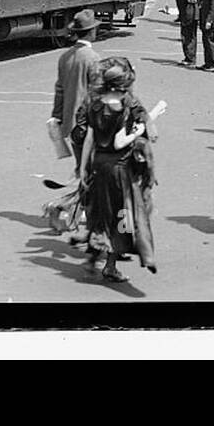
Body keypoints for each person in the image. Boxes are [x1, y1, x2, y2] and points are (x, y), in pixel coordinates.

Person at [76, 58, 157, 281]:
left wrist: (83, 168)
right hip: (118, 169)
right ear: (122, 86)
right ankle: (111, 265)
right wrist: (138, 130)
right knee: (123, 216)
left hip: (97, 165)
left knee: (101, 213)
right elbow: (120, 142)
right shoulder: (121, 108)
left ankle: (95, 257)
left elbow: (89, 139)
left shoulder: (95, 104)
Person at [52, 10, 100, 168]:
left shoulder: (64, 57)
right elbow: (97, 91)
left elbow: (59, 89)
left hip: (70, 123)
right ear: (91, 32)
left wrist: (57, 117)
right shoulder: (92, 58)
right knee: (92, 167)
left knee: (81, 165)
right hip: (88, 122)